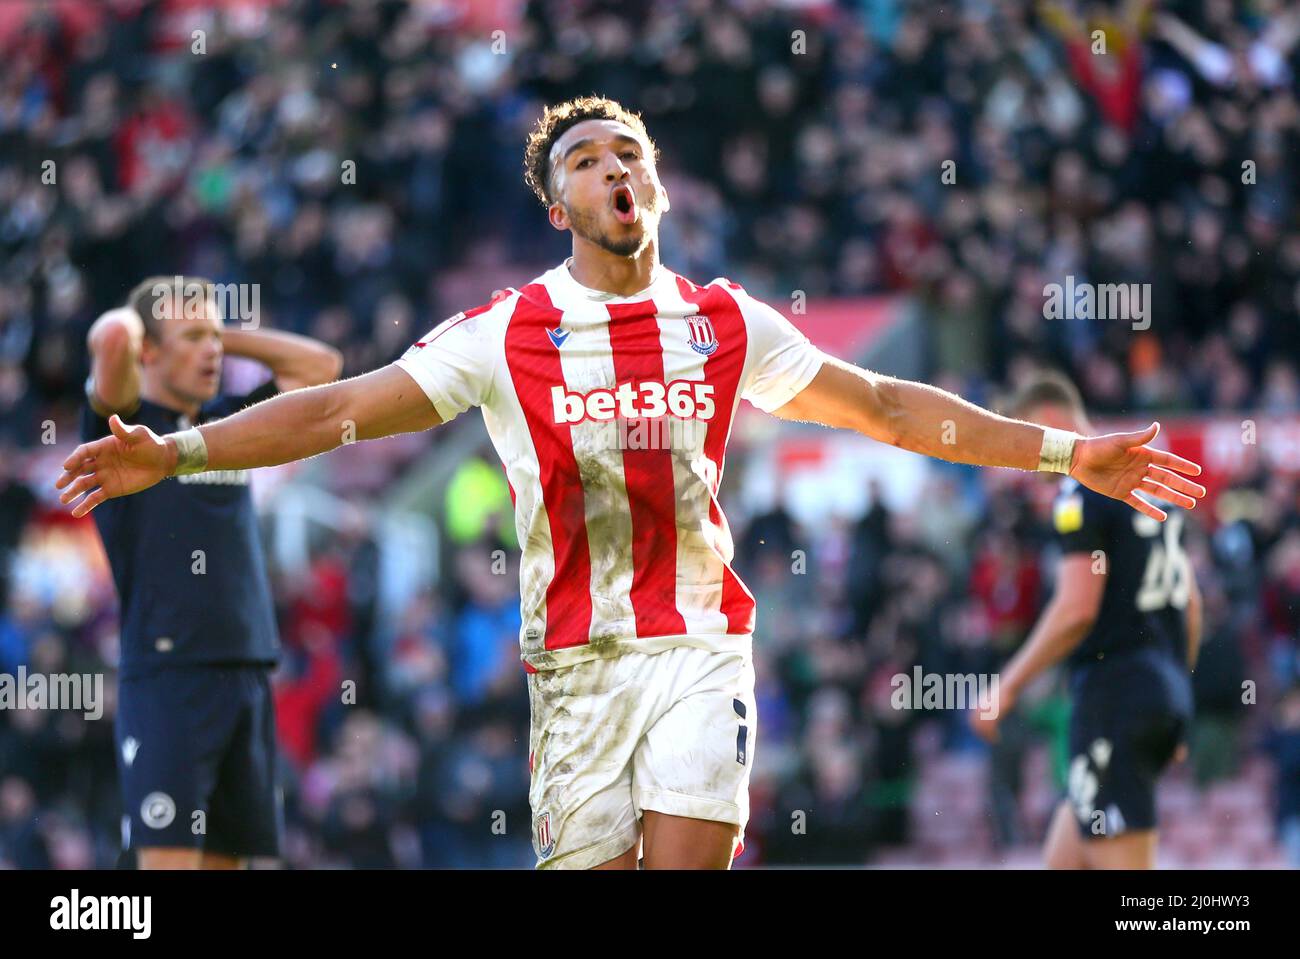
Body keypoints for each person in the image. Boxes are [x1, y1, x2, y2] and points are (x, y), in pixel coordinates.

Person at [56, 98, 1206, 870]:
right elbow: (340, 405)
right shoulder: (506, 332)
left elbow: (893, 407)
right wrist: (183, 448)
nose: (612, 169)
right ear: (557, 207)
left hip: (699, 648)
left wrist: (1063, 450)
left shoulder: (723, 320)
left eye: (627, 156)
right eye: (584, 161)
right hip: (573, 674)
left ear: (652, 186)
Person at [79, 275, 341, 869]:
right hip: (171, 673)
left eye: (214, 337)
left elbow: (321, 367)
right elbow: (113, 340)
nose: (213, 351)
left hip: (246, 669)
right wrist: (129, 326)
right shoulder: (123, 428)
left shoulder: (225, 426)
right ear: (151, 349)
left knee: (230, 861)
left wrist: (223, 334)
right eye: (192, 337)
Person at [970, 371, 1202, 869]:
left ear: (1051, 422)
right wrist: (1175, 695)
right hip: (1156, 690)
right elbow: (1191, 602)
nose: (1022, 460)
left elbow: (1076, 609)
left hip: (1114, 697)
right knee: (1064, 863)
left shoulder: (1081, 493)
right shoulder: (1147, 485)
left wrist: (1005, 688)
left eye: (1022, 437)